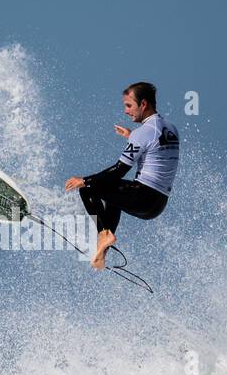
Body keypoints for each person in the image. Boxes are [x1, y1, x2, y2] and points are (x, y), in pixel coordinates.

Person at [64, 81, 179, 270]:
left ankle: (104, 234)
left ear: (143, 104)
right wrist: (131, 135)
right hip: (157, 204)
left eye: (129, 105)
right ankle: (104, 244)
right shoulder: (171, 129)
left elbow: (119, 170)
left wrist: (83, 180)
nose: (126, 111)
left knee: (89, 188)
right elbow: (156, 146)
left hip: (142, 195)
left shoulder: (144, 133)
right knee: (113, 195)